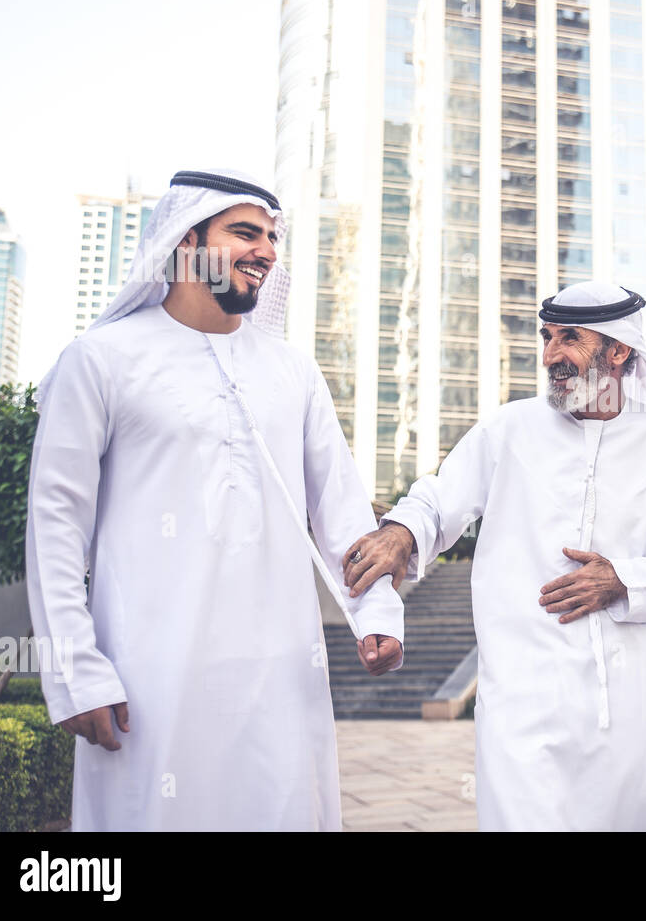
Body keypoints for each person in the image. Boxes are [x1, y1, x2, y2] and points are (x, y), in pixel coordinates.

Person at [26, 168, 405, 831]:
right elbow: (56, 524)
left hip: (279, 678)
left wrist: (376, 608)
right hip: (148, 678)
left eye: (271, 236)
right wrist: (74, 667)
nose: (265, 250)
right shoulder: (102, 359)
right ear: (184, 240)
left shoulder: (293, 371)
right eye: (244, 232)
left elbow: (343, 516)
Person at [341, 281, 646, 831]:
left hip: (627, 707)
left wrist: (623, 580)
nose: (550, 354)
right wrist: (403, 531)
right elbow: (439, 499)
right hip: (522, 702)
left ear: (619, 351)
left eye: (569, 338)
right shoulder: (509, 429)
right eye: (546, 337)